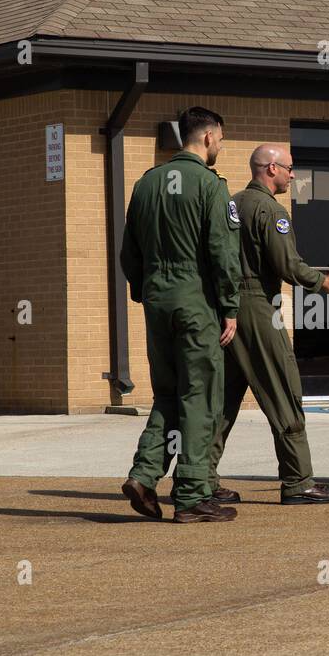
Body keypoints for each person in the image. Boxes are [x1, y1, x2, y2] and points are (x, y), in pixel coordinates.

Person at [207, 144, 329, 506]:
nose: (292, 174)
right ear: (271, 169)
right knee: (283, 390)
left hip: (225, 310)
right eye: (289, 168)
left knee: (222, 400)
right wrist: (324, 282)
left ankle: (200, 479)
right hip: (257, 307)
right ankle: (298, 481)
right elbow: (287, 265)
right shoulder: (271, 210)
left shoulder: (230, 204)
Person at [119, 106, 241, 523]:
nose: (220, 146)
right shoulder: (211, 186)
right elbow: (224, 255)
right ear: (207, 137)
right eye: (221, 140)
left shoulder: (146, 183)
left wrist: (145, 291)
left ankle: (144, 474)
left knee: (168, 395)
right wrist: (229, 308)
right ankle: (191, 495)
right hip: (196, 304)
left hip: (157, 303)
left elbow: (128, 253)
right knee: (202, 396)